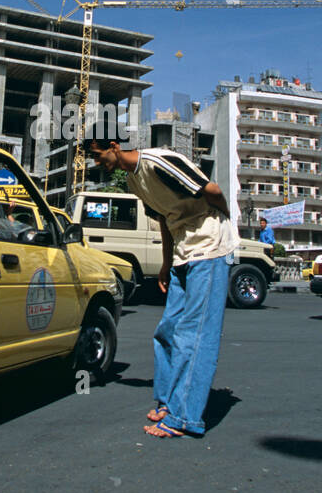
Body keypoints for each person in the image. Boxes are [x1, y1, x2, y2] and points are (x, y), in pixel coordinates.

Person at [86, 138, 237, 438]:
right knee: (167, 330)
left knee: (194, 334)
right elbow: (167, 222)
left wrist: (224, 222)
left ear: (113, 146)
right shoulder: (134, 183)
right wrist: (166, 265)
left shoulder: (158, 162)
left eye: (98, 155)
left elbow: (214, 192)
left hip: (210, 246)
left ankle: (184, 417)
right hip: (183, 251)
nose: (97, 163)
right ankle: (169, 402)